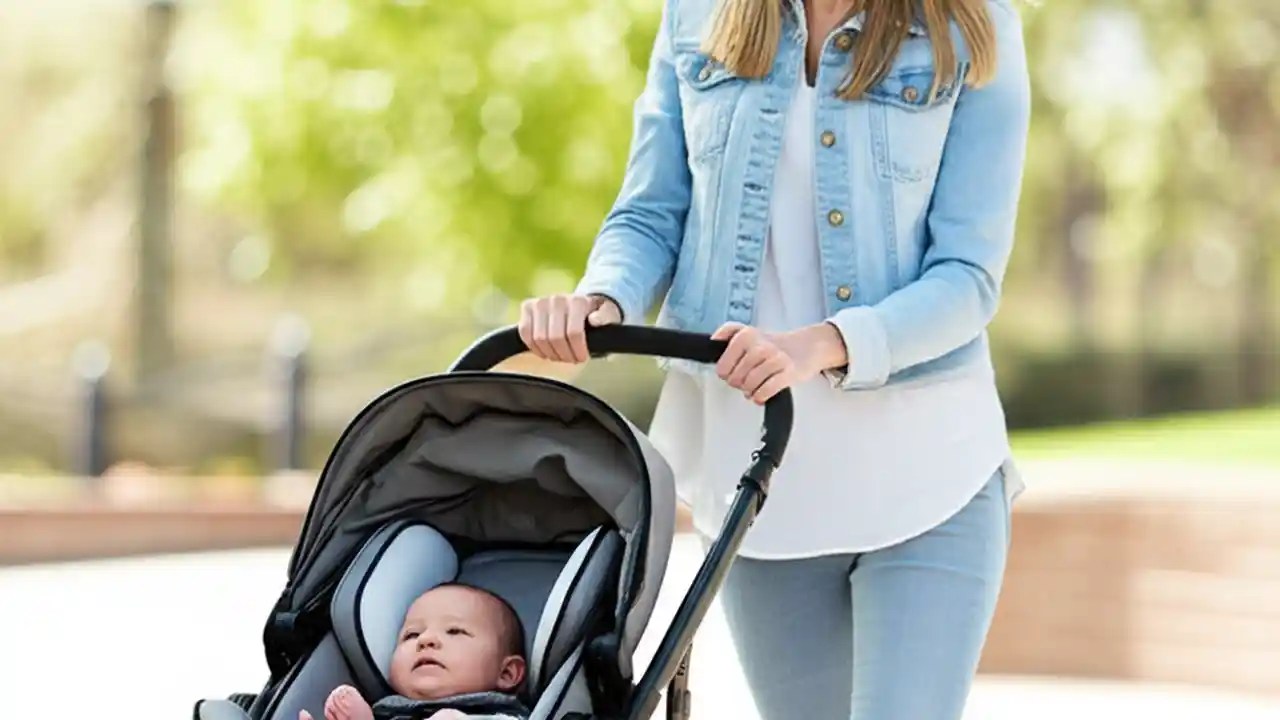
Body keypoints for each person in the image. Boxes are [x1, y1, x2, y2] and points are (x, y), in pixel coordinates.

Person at [517, 0, 1031, 718]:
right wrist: (601, 300)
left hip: (929, 477)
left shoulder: (968, 26)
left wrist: (820, 344)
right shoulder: (698, 18)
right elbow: (651, 211)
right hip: (759, 488)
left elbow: (968, 276)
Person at [302, 583, 528, 720]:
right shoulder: (389, 712)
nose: (426, 640)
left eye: (454, 631)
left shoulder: (504, 714)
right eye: (412, 635)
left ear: (506, 674)